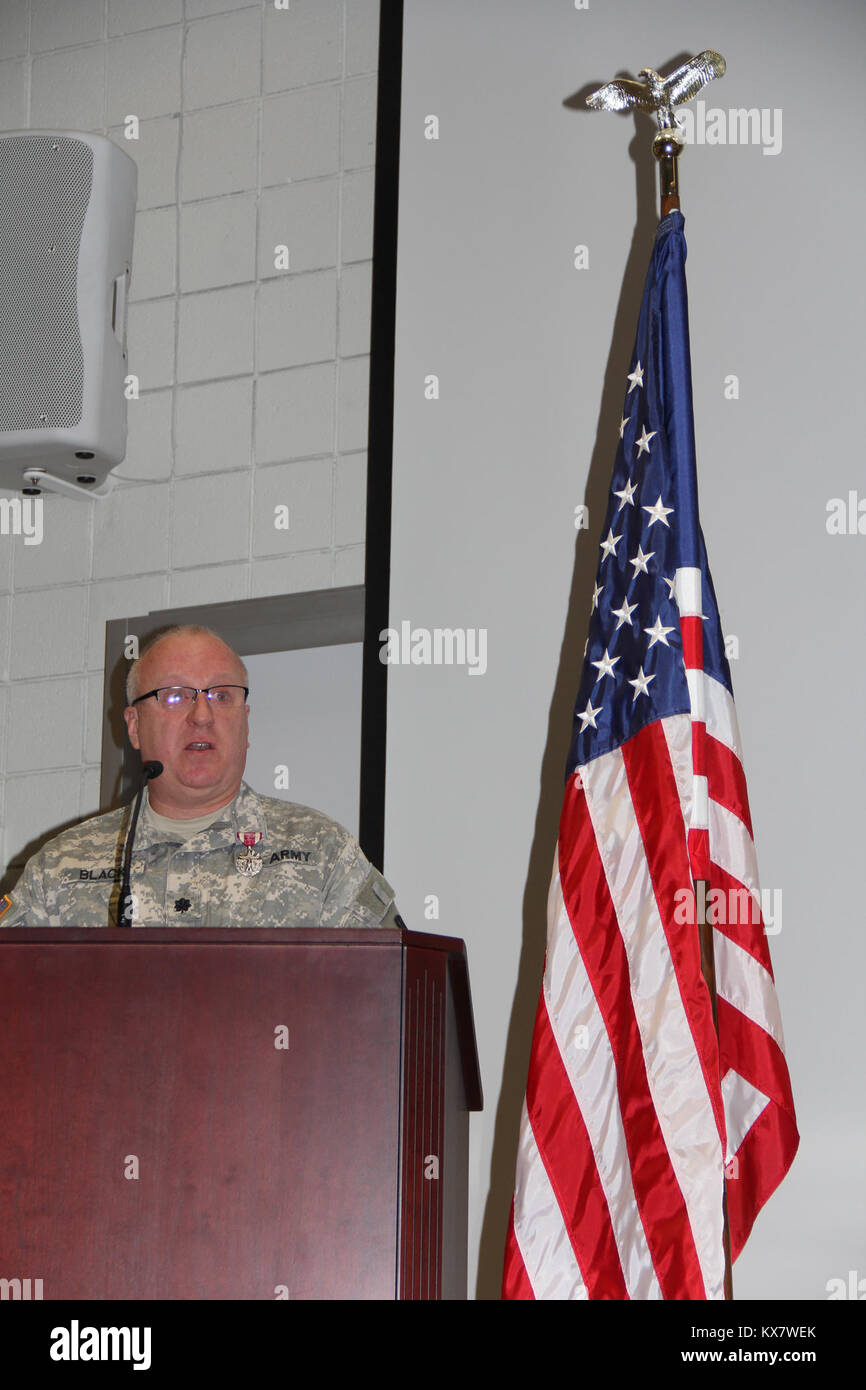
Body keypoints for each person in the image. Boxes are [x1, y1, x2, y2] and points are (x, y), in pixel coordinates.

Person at [0, 625, 399, 929]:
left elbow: (388, 1000)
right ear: (135, 726)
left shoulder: (323, 855)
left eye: (221, 696)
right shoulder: (60, 868)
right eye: (175, 696)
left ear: (245, 723)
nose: (202, 715)